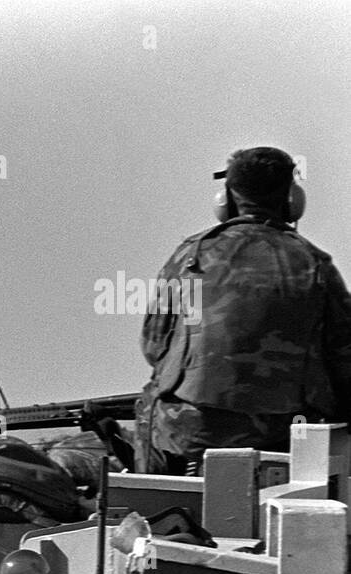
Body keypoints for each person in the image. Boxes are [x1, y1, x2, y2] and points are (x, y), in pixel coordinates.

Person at [139, 146, 351, 475]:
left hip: (190, 432)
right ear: (293, 199)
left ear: (224, 200)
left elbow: (154, 347)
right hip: (286, 435)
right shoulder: (315, 264)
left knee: (150, 403)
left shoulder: (188, 257)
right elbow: (345, 360)